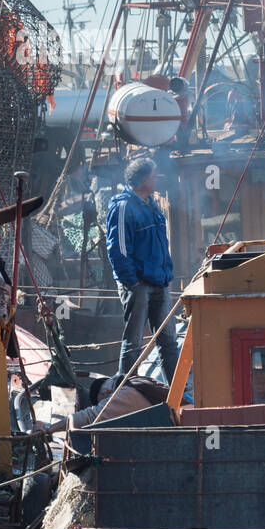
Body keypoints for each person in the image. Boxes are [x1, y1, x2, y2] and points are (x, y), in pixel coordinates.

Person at [106, 158, 178, 381]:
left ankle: (178, 393)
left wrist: (165, 275)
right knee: (134, 342)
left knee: (168, 340)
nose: (157, 179)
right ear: (144, 179)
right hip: (138, 284)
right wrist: (132, 282)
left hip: (159, 282)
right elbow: (117, 249)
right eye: (154, 175)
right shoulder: (123, 206)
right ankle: (125, 390)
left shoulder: (150, 205)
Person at [33, 375, 167, 434]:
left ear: (107, 392)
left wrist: (49, 427)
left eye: (103, 402)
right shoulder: (139, 381)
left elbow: (90, 417)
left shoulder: (125, 394)